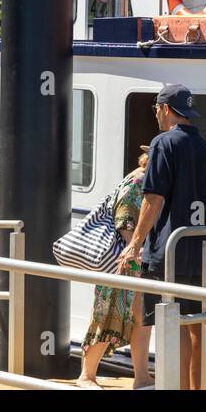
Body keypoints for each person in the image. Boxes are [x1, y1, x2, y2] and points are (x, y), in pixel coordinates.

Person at [118, 84, 206, 391]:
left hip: (168, 251)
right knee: (197, 327)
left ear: (165, 109)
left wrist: (134, 245)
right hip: (198, 250)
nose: (156, 116)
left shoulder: (163, 143)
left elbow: (153, 199)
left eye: (156, 110)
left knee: (172, 328)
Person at [77, 149, 150, 389]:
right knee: (105, 315)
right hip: (122, 263)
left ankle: (141, 377)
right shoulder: (137, 180)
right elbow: (124, 218)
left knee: (142, 317)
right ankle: (86, 376)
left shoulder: (146, 180)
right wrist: (134, 248)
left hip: (134, 262)